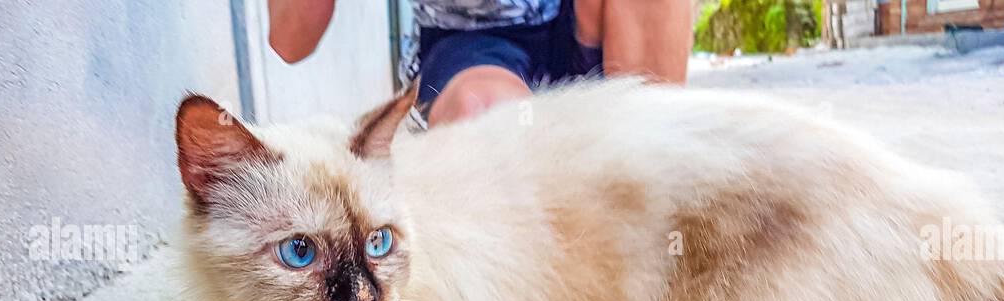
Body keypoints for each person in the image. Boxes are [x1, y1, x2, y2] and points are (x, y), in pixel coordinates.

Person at [267, 1, 692, 126]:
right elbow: (290, 41)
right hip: (470, 39)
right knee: (488, 119)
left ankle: (648, 184)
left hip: (587, 19)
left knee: (644, 141)